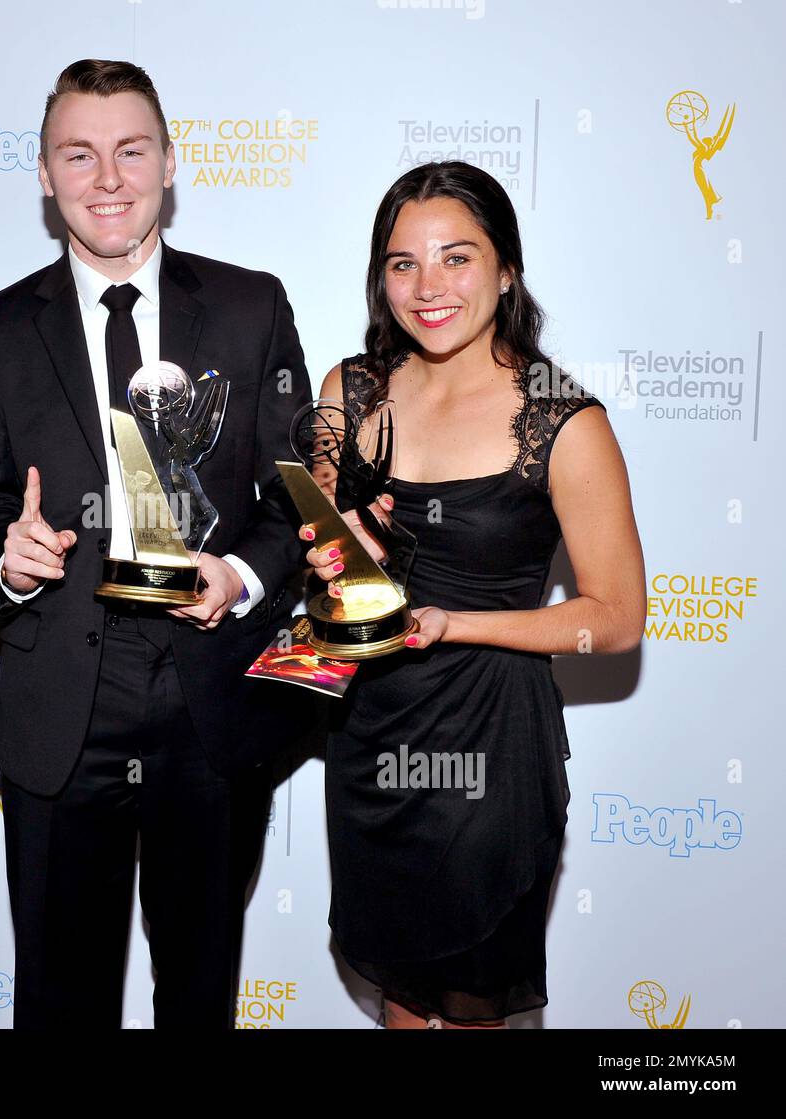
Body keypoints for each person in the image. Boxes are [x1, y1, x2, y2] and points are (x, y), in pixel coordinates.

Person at [0, 59, 312, 1029]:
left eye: (129, 151)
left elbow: (297, 497)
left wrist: (236, 573)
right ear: (42, 173)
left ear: (168, 162)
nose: (106, 178)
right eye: (79, 154)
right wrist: (6, 557)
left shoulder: (250, 309)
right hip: (63, 702)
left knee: (198, 997)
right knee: (61, 1005)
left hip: (210, 696)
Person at [302, 161, 644, 1029]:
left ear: (506, 270)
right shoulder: (352, 391)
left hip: (492, 743)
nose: (429, 286)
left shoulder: (565, 419)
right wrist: (341, 548)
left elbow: (615, 618)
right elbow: (326, 568)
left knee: (471, 1002)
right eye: (403, 262)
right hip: (371, 736)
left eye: (457, 258)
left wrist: (460, 623)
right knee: (403, 1004)